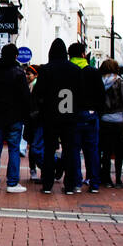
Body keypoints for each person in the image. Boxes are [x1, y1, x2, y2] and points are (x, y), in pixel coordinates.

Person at [33, 38, 80, 195]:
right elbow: (81, 94)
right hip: (70, 116)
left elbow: (38, 93)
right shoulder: (75, 70)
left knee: (49, 150)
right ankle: (70, 185)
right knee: (70, 150)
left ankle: (47, 184)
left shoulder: (46, 69)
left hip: (51, 116)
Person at [0, 43, 31, 192]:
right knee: (14, 149)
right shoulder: (18, 73)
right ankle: (12, 183)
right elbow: (25, 97)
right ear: (15, 56)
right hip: (14, 116)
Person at [67, 41, 107, 193]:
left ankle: (76, 183)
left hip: (73, 114)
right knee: (92, 150)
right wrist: (97, 110)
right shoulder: (93, 71)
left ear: (69, 55)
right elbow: (101, 95)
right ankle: (94, 183)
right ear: (84, 54)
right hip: (91, 114)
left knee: (74, 150)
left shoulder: (69, 71)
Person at [97, 59, 123, 188]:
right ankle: (118, 180)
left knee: (106, 150)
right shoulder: (119, 81)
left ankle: (106, 178)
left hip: (104, 119)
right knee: (119, 150)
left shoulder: (99, 81)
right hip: (118, 119)